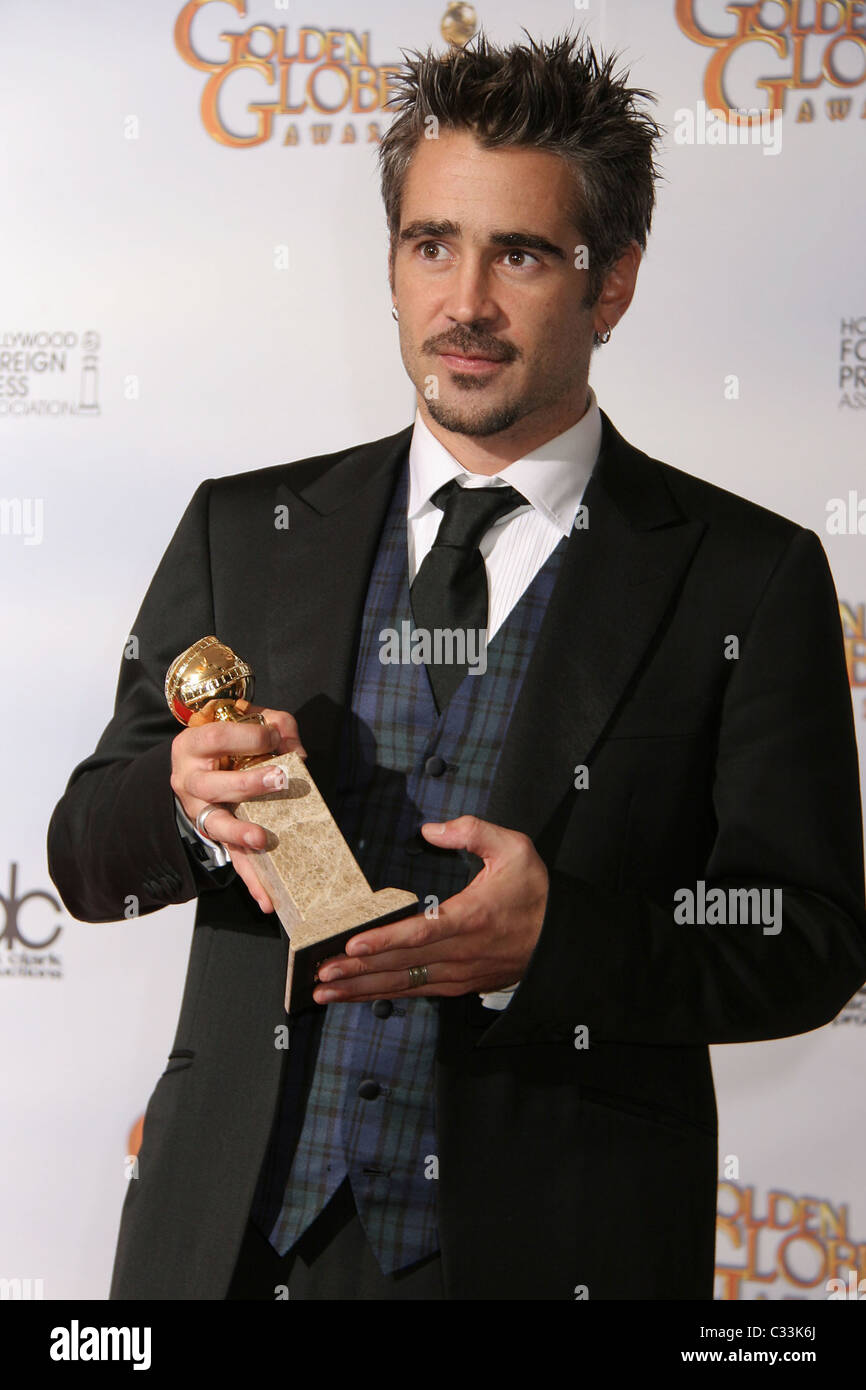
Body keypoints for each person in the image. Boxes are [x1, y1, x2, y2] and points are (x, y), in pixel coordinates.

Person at [47, 31, 866, 1302]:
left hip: (555, 1249)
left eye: (521, 254)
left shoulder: (742, 576)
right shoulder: (245, 528)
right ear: (390, 261)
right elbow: (83, 854)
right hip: (226, 1246)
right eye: (431, 244)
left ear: (612, 283)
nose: (464, 303)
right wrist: (179, 802)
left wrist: (564, 943)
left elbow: (806, 939)